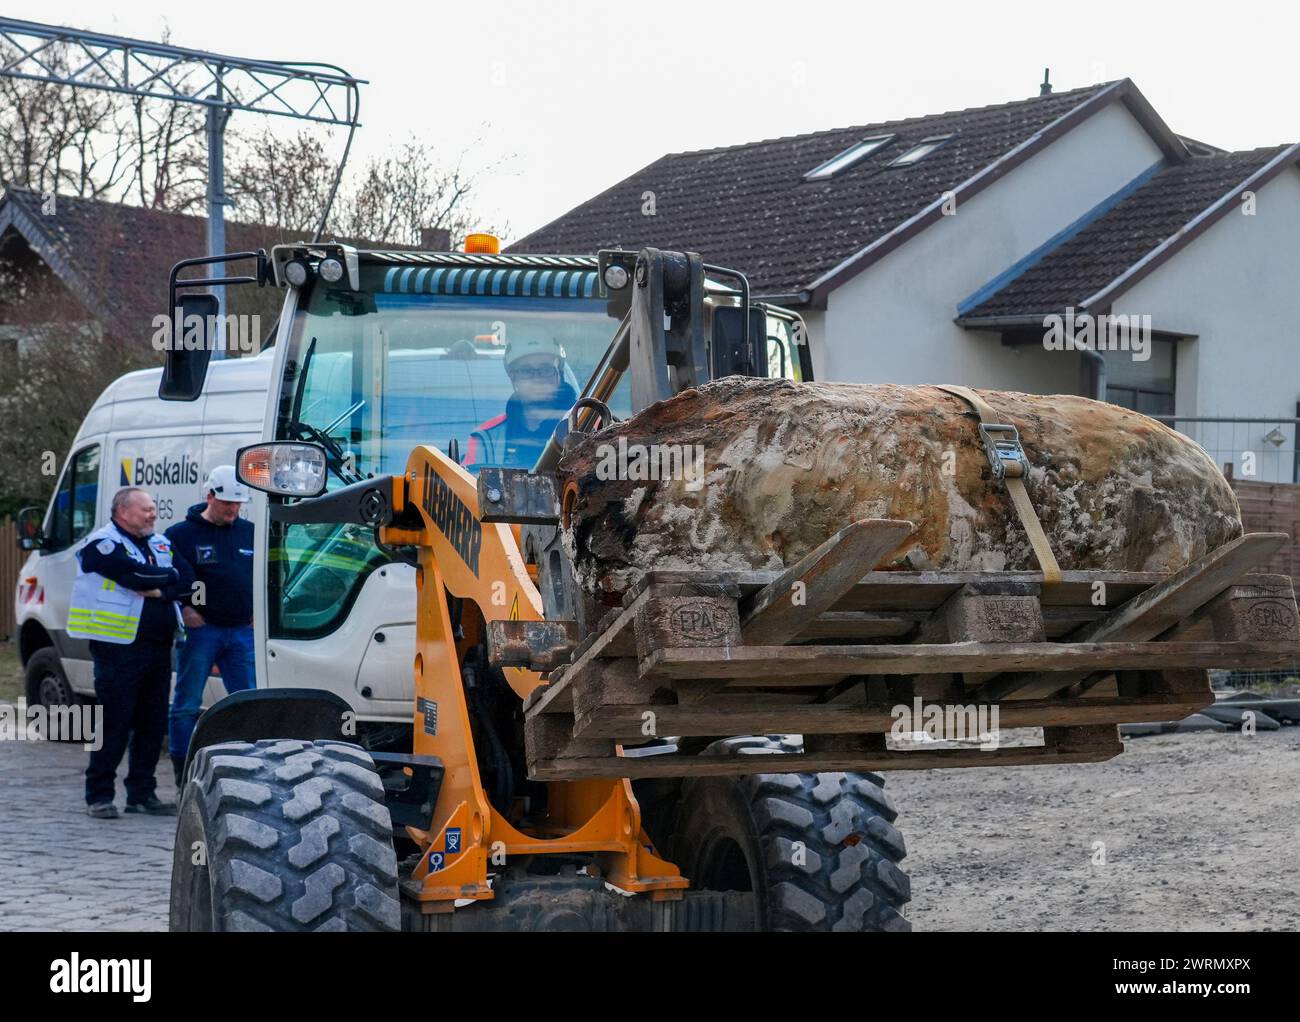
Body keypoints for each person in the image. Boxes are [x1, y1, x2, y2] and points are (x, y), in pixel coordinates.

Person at [69, 487, 191, 818]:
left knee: (152, 723)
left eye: (153, 509)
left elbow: (185, 579)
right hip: (117, 648)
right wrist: (163, 581)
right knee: (114, 722)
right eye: (146, 510)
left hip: (158, 646)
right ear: (123, 512)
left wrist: (161, 585)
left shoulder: (159, 542)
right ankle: (99, 795)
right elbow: (132, 575)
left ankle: (141, 794)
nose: (153, 514)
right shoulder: (101, 545)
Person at [163, 465, 256, 786]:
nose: (233, 509)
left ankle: (251, 767)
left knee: (249, 700)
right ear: (210, 496)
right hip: (201, 631)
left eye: (238, 504)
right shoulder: (179, 535)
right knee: (187, 702)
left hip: (242, 631)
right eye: (228, 503)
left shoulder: (250, 532)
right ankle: (183, 771)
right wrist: (185, 606)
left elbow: (267, 574)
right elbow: (169, 578)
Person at [466, 336, 577, 469]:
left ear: (560, 374)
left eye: (546, 369)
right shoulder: (485, 437)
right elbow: (468, 485)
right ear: (513, 378)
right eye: (526, 371)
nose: (536, 378)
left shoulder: (586, 426)